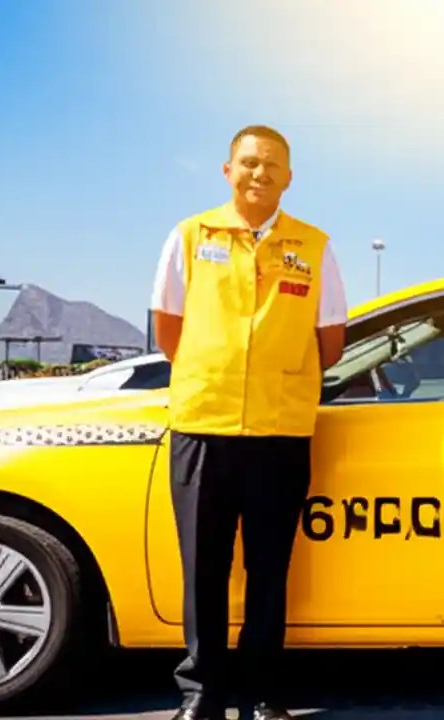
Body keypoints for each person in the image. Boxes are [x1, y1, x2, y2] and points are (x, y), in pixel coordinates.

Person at [150, 125, 348, 720]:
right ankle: (202, 692)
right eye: (249, 162)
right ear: (228, 170)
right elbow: (168, 329)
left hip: (279, 430)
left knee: (269, 570)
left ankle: (263, 694)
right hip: (202, 426)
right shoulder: (190, 236)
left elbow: (331, 340)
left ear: (290, 177)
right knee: (203, 569)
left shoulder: (313, 246)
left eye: (273, 166)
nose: (260, 173)